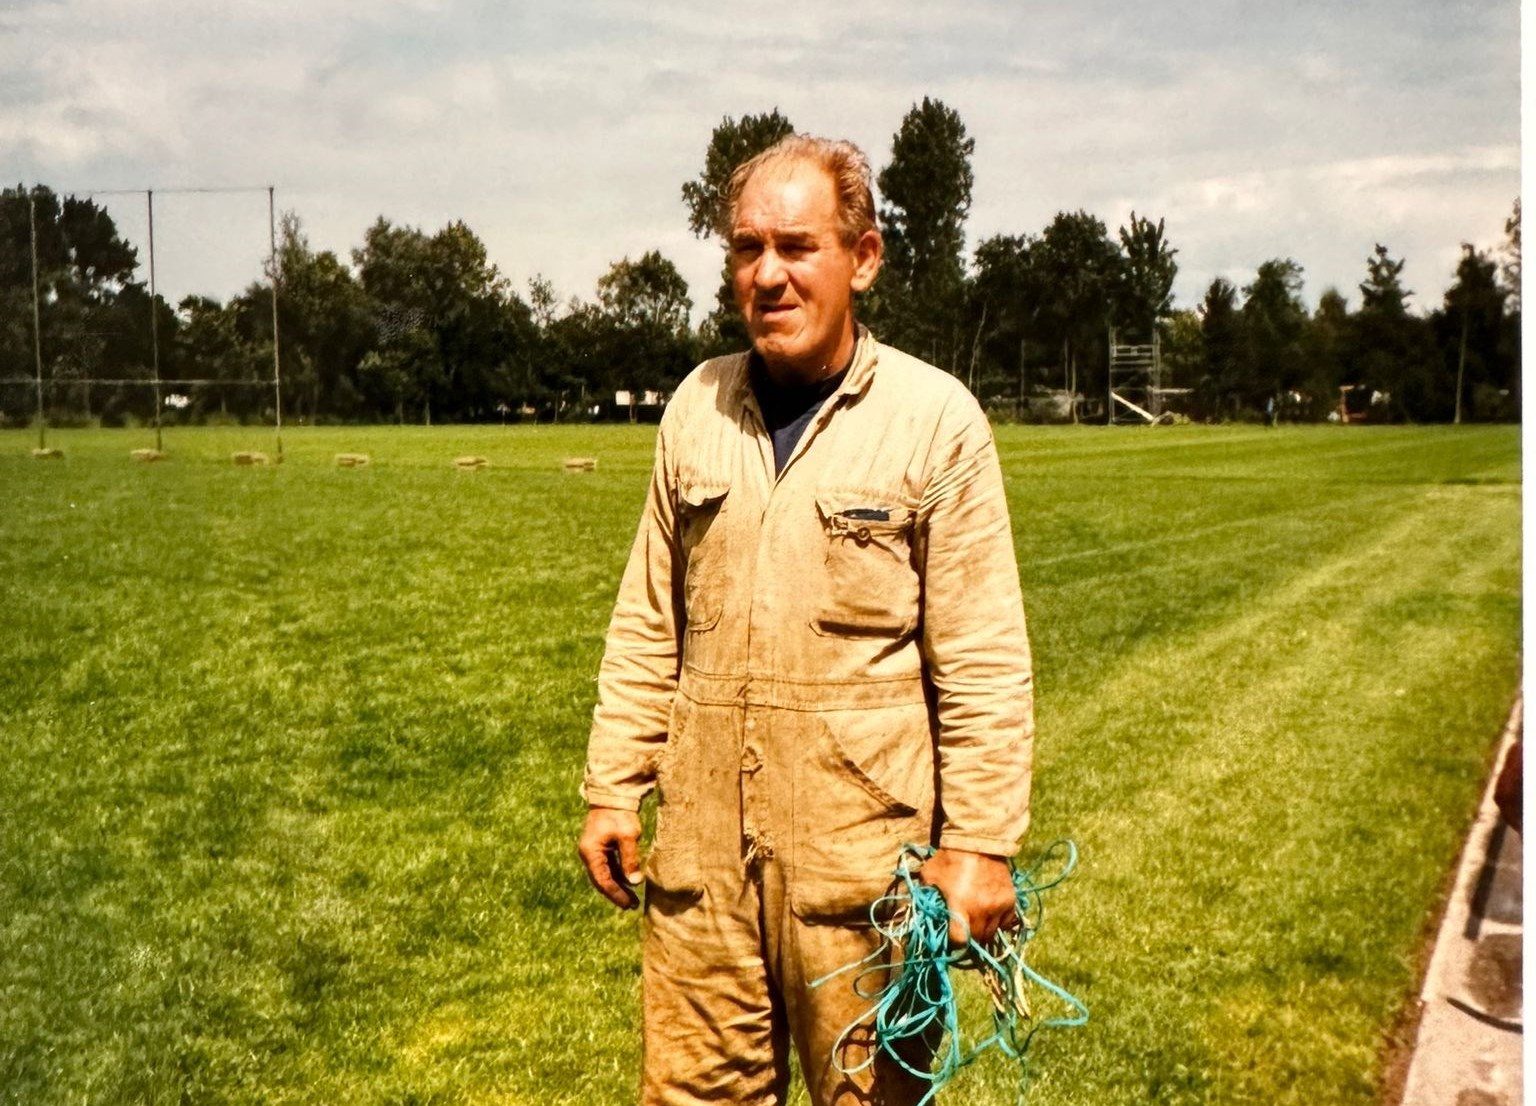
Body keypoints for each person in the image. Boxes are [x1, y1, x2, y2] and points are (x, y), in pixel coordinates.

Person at [577, 134, 1035, 1106]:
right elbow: (649, 618)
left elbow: (984, 655)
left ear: (862, 258)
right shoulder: (696, 407)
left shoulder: (935, 419)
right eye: (748, 248)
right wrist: (614, 785)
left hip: (865, 878)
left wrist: (982, 842)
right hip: (703, 871)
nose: (769, 274)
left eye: (797, 246)